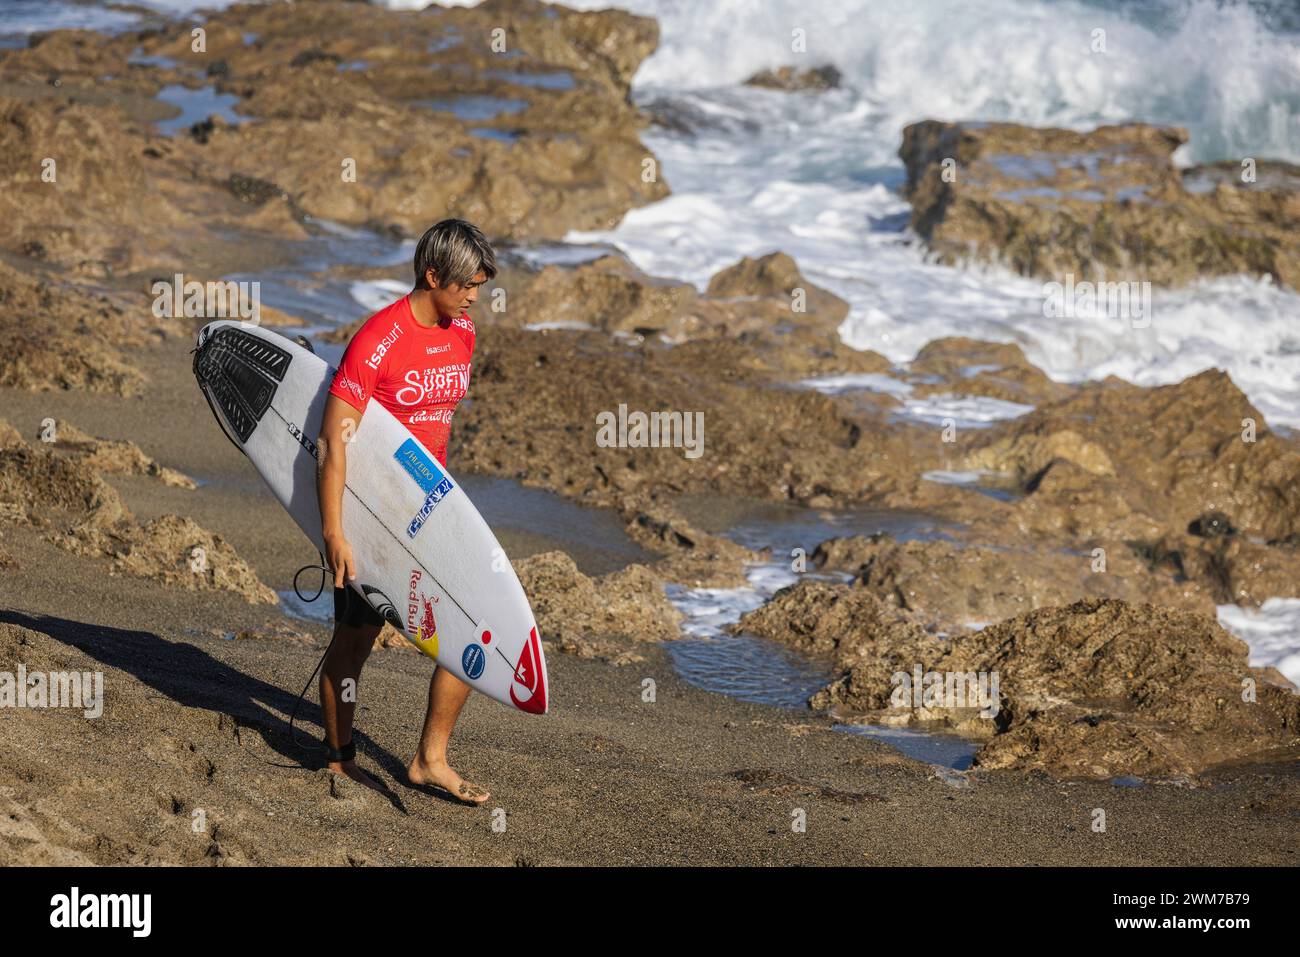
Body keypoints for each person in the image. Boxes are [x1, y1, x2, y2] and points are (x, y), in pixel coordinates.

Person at [315, 218, 496, 804]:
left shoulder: (462, 330)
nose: (473, 296)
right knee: (356, 638)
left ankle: (429, 759)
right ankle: (340, 759)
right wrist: (335, 530)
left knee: (476, 626)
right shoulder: (379, 338)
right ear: (432, 274)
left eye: (480, 286)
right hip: (379, 517)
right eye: (467, 283)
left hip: (435, 509)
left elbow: (440, 420)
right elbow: (334, 440)